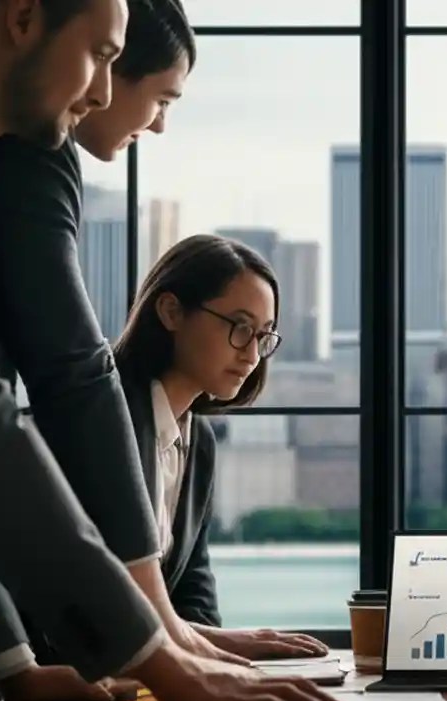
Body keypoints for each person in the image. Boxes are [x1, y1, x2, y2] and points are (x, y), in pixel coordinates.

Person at [0, 1, 344, 701]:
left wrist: (13, 668)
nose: (102, 91)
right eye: (101, 54)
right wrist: (163, 654)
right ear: (22, 17)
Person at [113, 233, 331, 661]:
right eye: (240, 327)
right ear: (172, 311)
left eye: (263, 336)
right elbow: (103, 590)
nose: (252, 355)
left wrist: (226, 657)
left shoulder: (200, 442)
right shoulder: (106, 418)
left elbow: (194, 590)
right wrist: (232, 645)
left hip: (158, 674)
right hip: (75, 672)